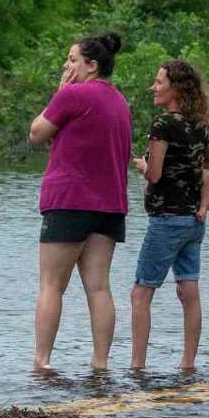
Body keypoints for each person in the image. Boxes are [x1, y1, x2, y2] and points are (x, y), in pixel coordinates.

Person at [29, 32, 133, 371]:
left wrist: (60, 92)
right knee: (99, 287)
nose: (67, 65)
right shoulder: (119, 101)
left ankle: (42, 361)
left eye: (72, 60)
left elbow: (37, 134)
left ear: (92, 65)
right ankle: (100, 362)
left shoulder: (72, 94)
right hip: (109, 205)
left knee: (51, 285)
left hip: (70, 200)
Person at [129, 59, 209, 370]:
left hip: (166, 219)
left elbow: (156, 175)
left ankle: (137, 366)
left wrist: (144, 166)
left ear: (174, 88)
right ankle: (187, 364)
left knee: (141, 292)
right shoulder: (201, 126)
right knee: (189, 290)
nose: (153, 87)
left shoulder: (162, 125)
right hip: (193, 221)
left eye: (159, 82)